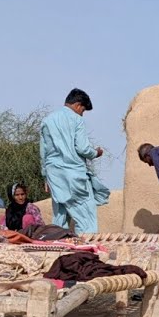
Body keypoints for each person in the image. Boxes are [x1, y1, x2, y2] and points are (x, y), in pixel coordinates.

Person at [40, 88, 105, 234]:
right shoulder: (77, 120)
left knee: (60, 213)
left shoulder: (47, 120)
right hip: (73, 173)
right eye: (83, 110)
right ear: (78, 105)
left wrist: (46, 177)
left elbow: (43, 151)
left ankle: (58, 243)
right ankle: (86, 245)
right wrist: (96, 153)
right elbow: (82, 148)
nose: (82, 113)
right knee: (85, 215)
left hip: (54, 174)